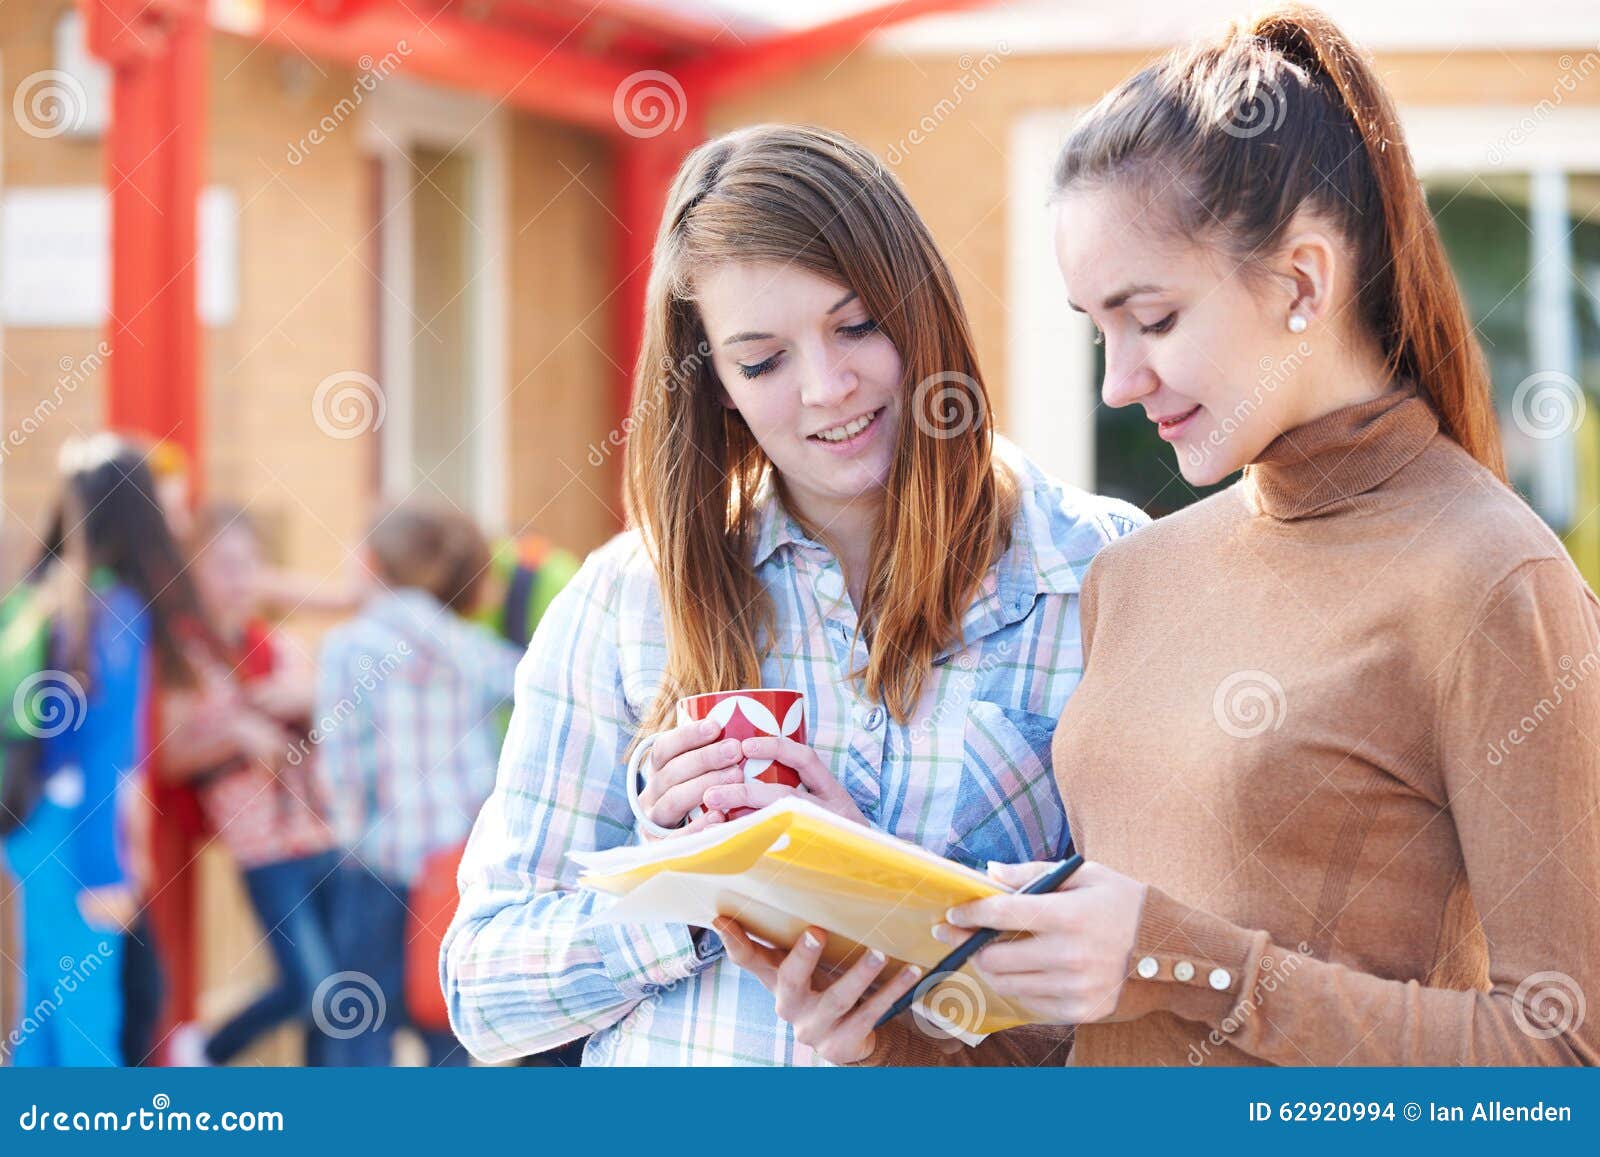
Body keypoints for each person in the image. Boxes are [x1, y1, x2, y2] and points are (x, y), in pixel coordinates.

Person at [729, 4, 1600, 1067]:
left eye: (1151, 318)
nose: (1118, 380)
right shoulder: (1134, 574)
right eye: (1096, 328)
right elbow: (1107, 1039)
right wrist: (890, 1027)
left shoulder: (1489, 578)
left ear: (1303, 281)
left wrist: (1196, 961)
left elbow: (1564, 1059)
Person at [441, 124, 1145, 1067]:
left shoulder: (1101, 576)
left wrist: (887, 909)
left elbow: (1146, 995)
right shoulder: (624, 602)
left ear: (921, 308)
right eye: (763, 360)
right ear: (719, 384)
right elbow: (481, 993)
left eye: (855, 326)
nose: (826, 387)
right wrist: (692, 895)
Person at [2, 435, 205, 1065]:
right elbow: (102, 756)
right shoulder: (116, 611)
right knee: (90, 1020)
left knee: (40, 1011)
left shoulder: (40, 600)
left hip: (28, 824)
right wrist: (104, 868)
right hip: (77, 835)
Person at [316, 501, 522, 1066]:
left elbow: (342, 768)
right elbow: (535, 688)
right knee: (444, 1025)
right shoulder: (465, 642)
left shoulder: (350, 646)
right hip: (453, 867)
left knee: (361, 1027)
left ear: (369, 562)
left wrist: (349, 843)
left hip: (379, 865)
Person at [158, 506, 339, 1066]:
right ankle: (208, 1049)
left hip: (323, 834)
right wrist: (237, 734)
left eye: (249, 566)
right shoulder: (186, 659)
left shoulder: (280, 648)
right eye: (225, 566)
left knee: (336, 1003)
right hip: (261, 847)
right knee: (312, 987)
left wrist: (312, 702)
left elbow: (335, 734)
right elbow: (167, 759)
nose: (241, 581)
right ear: (192, 571)